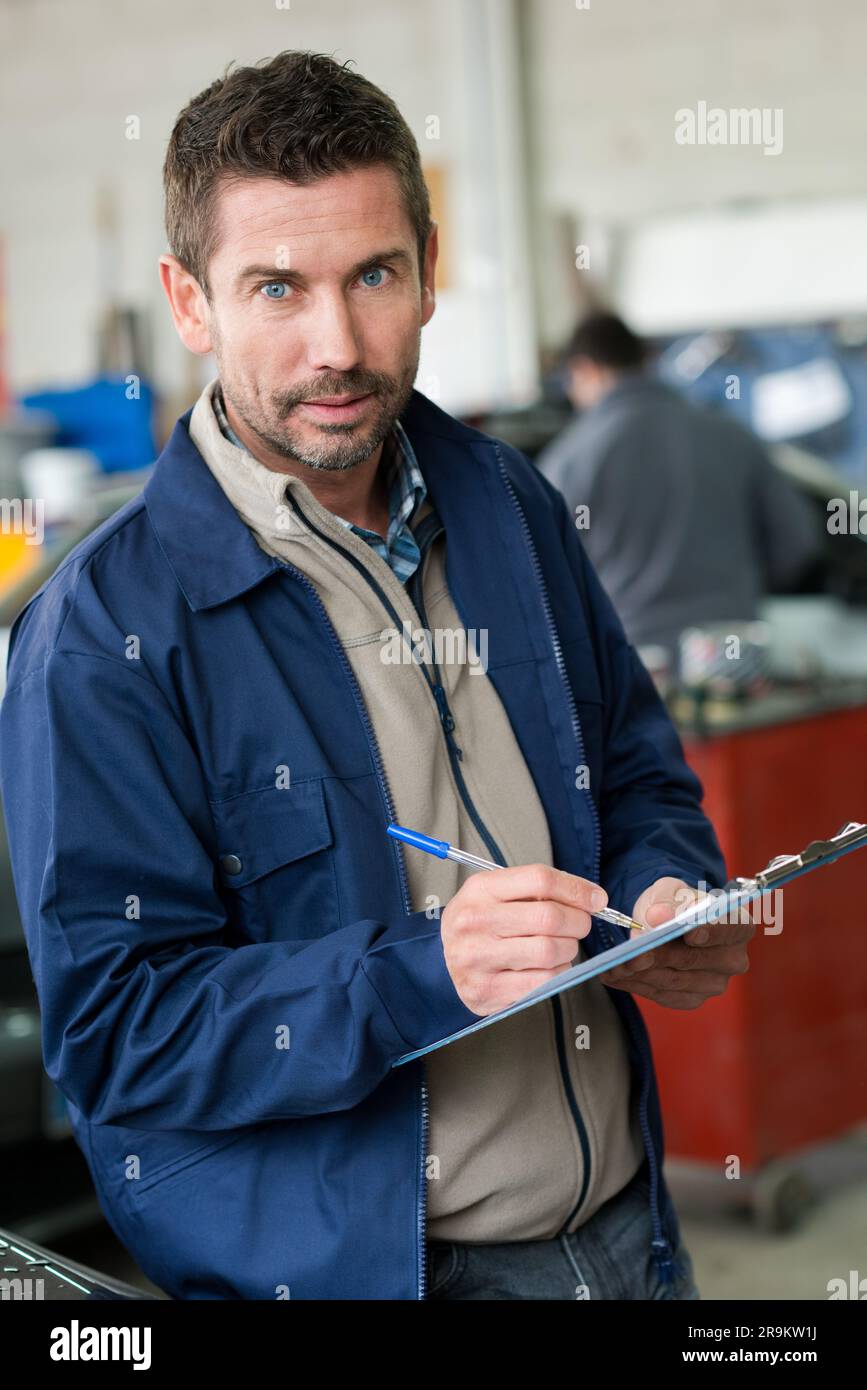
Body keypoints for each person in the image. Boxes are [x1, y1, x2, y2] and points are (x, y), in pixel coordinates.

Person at [0, 52, 749, 1302]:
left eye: (373, 276)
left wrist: (664, 888)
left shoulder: (509, 504)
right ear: (192, 304)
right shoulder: (101, 632)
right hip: (386, 1277)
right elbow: (117, 1032)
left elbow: (632, 770)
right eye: (277, 288)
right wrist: (421, 971)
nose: (336, 344)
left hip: (630, 1232)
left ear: (429, 267)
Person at [537, 312, 823, 662]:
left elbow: (546, 583)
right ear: (646, 360)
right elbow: (796, 544)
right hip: (733, 660)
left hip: (633, 665)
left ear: (584, 371)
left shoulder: (567, 462)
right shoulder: (731, 436)